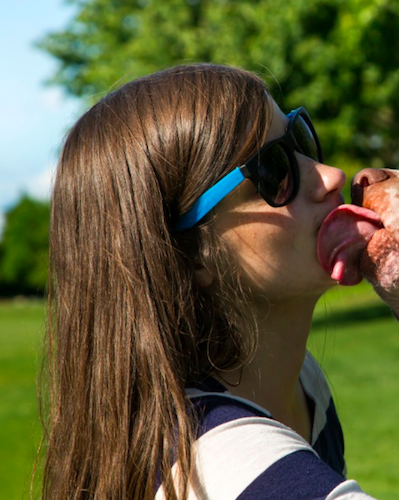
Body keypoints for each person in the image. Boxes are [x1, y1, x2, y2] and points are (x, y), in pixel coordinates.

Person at [41, 63, 375, 500]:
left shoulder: (302, 383)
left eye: (300, 139)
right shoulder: (233, 469)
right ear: (189, 253)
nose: (330, 176)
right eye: (274, 171)